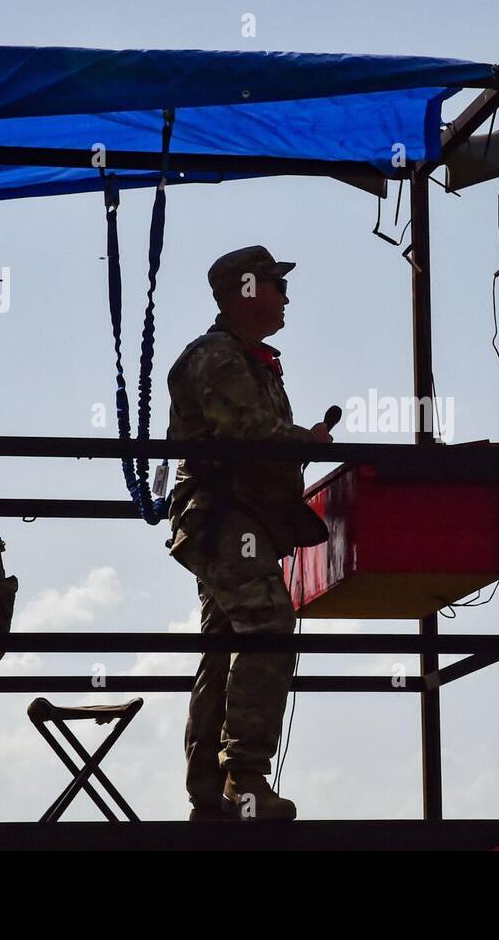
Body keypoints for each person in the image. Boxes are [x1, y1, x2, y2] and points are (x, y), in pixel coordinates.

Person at [166, 245, 332, 821]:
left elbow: (257, 434)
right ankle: (246, 779)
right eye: (273, 283)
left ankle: (213, 788)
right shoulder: (216, 358)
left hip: (235, 520)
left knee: (223, 645)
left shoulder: (245, 360)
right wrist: (302, 441)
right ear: (244, 291)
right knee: (267, 624)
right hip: (222, 517)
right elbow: (245, 431)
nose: (285, 296)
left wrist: (296, 442)